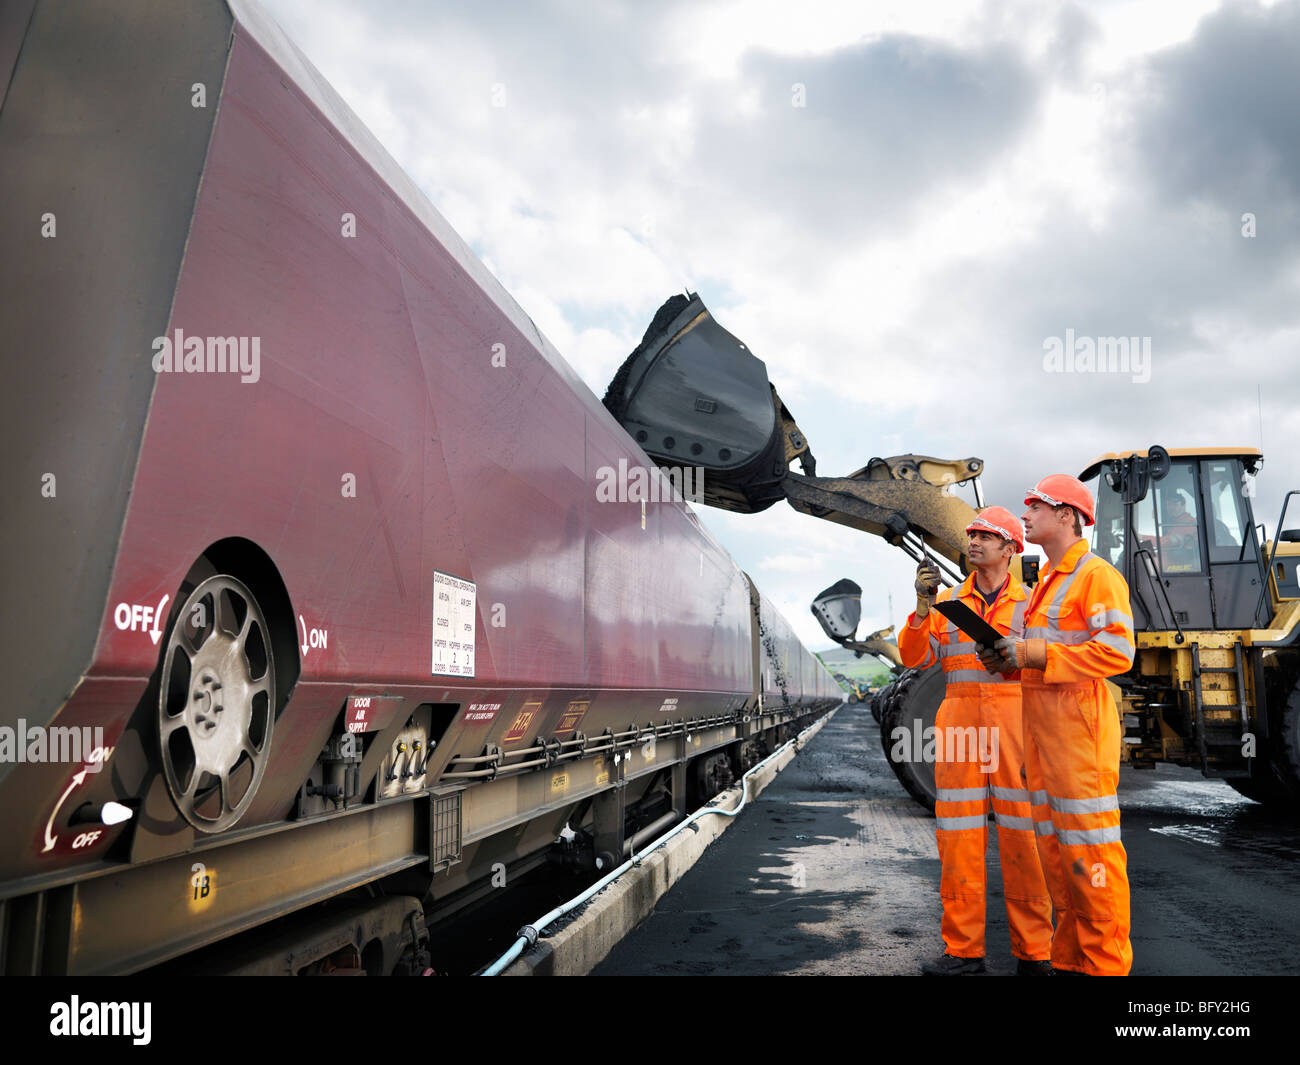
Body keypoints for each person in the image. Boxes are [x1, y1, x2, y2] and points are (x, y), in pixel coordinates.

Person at [979, 475, 1135, 976]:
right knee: (1059, 858)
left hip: (1078, 741)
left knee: (1091, 859)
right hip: (1045, 741)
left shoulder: (1096, 576)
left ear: (1067, 514)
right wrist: (1004, 658)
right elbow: (1032, 655)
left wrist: (1031, 652)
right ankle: (1070, 963)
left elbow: (1118, 651)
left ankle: (1105, 968)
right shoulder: (1044, 583)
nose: (1024, 517)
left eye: (1036, 507)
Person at [897, 506, 1053, 976]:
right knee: (958, 840)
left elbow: (1050, 662)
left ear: (1011, 548)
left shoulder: (1033, 603)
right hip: (961, 727)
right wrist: (922, 610)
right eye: (971, 535)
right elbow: (913, 655)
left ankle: (1035, 952)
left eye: (986, 535)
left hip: (1015, 723)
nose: (974, 541)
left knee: (1024, 841)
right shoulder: (948, 603)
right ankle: (963, 952)